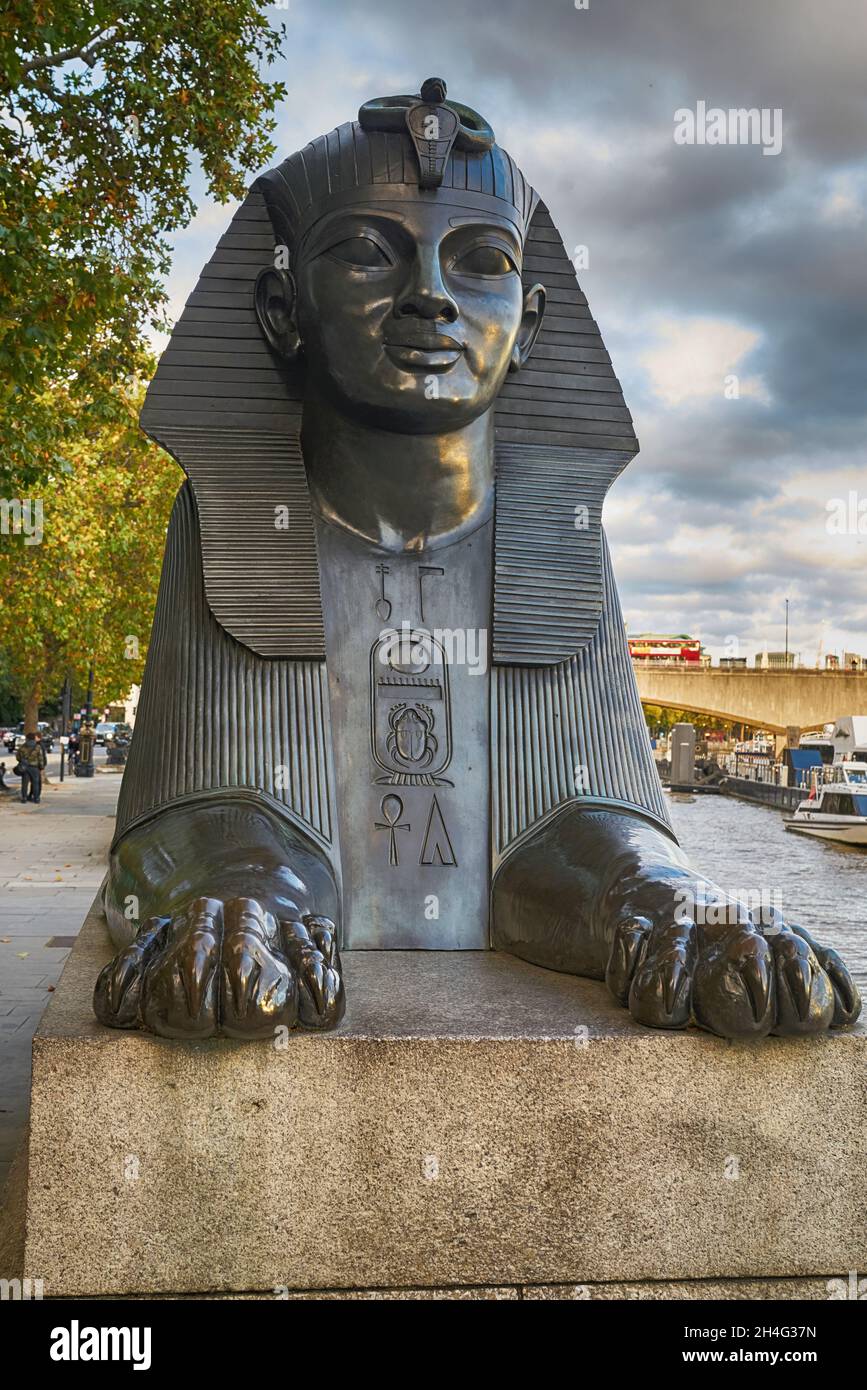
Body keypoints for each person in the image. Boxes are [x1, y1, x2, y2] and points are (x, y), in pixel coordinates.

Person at [18, 730, 46, 804]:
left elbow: (18, 757)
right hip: (34, 767)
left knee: (24, 784)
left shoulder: (23, 746)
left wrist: (22, 761)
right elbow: (40, 758)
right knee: (35, 783)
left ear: (27, 738)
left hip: (25, 767)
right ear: (34, 738)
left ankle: (24, 798)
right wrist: (41, 767)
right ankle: (36, 798)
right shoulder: (37, 747)